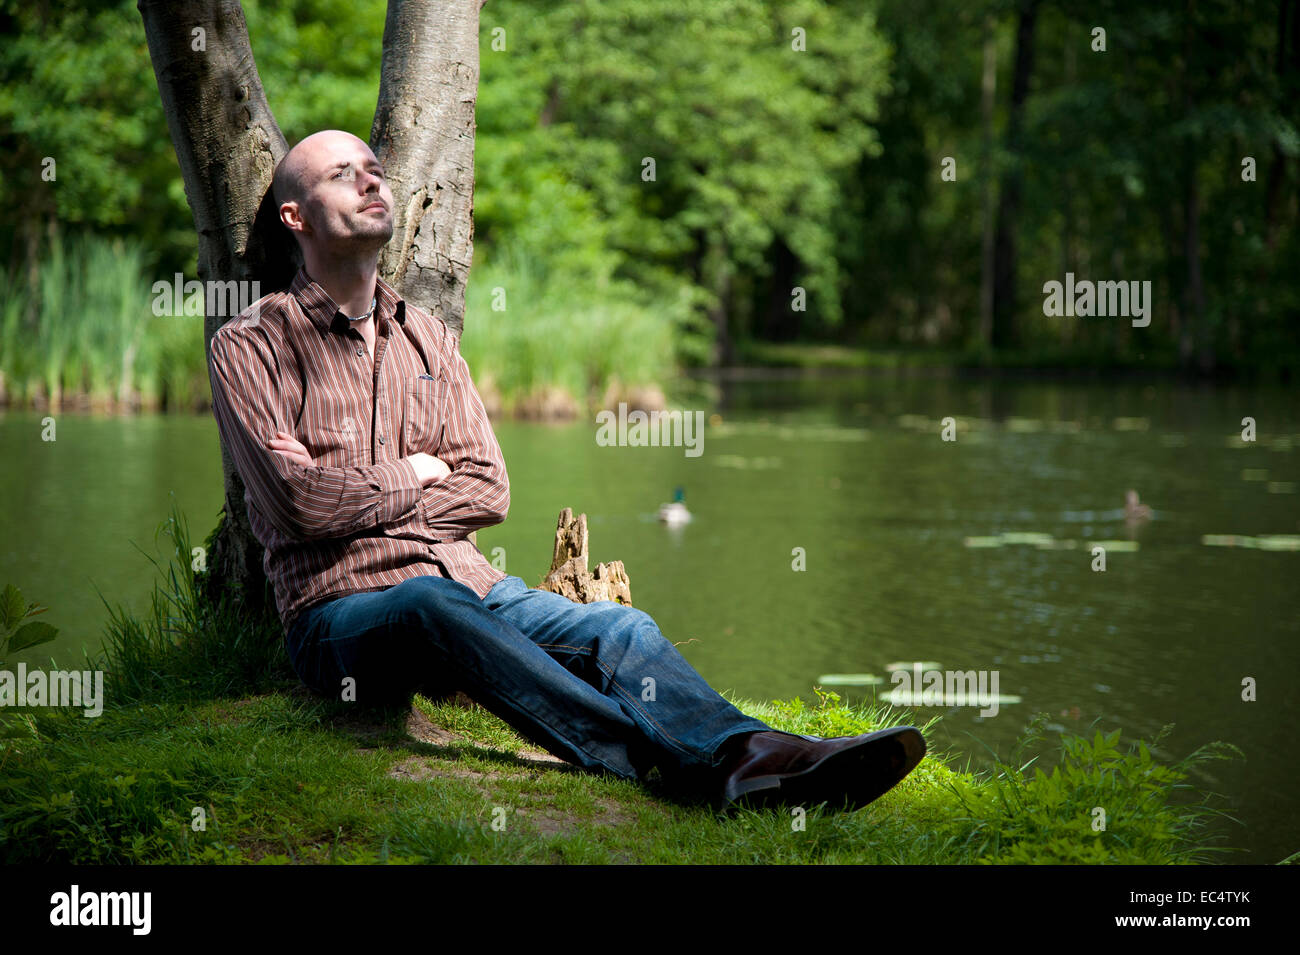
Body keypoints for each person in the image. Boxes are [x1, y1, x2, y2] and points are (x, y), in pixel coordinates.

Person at [206, 128, 926, 811]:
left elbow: (489, 486)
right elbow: (298, 504)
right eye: (342, 174)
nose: (370, 181)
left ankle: (756, 752)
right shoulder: (250, 344)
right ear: (296, 216)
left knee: (620, 628)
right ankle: (655, 760)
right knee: (429, 603)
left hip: (474, 589)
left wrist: (375, 491)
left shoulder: (425, 336)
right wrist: (417, 471)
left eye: (375, 170)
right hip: (340, 616)